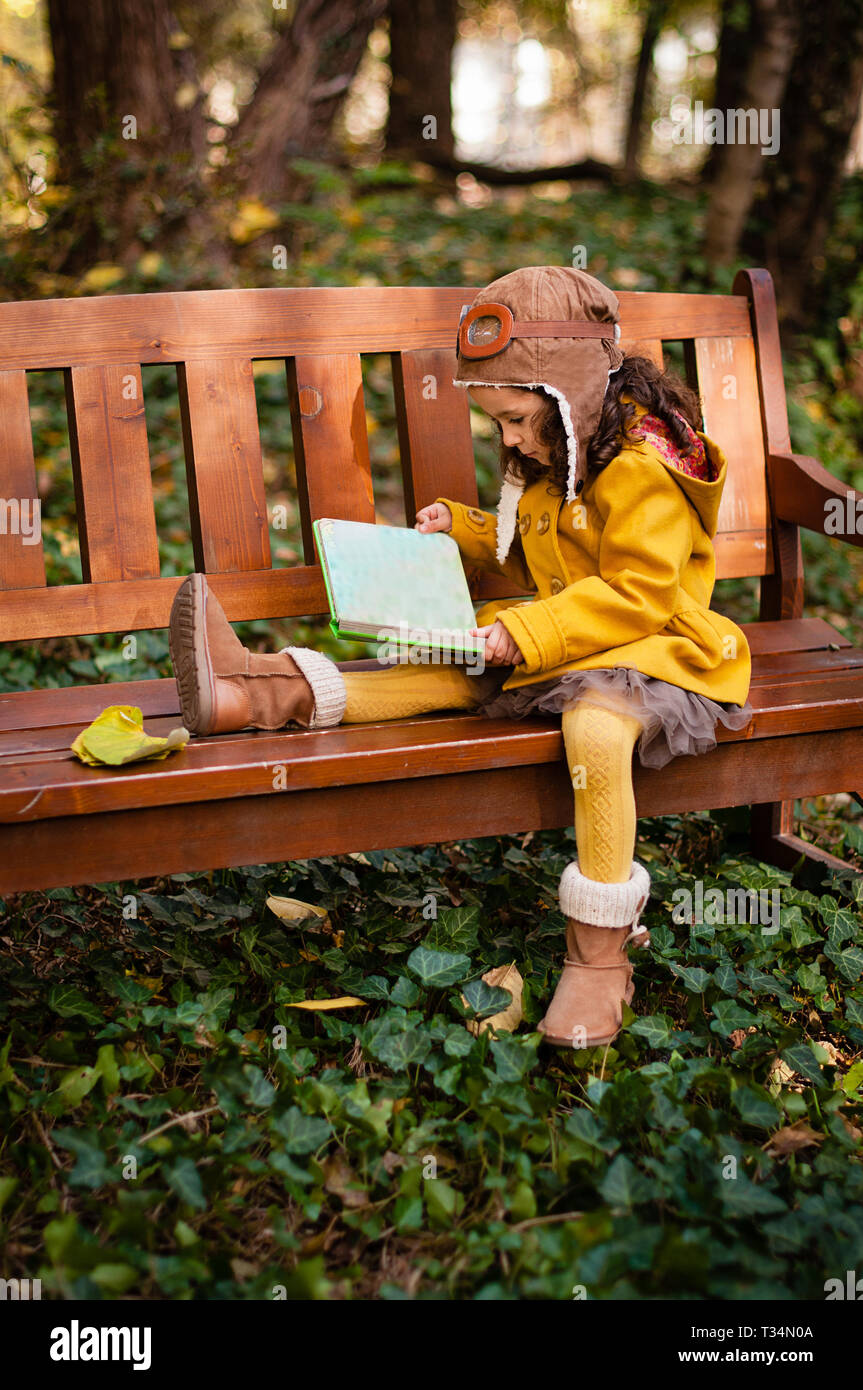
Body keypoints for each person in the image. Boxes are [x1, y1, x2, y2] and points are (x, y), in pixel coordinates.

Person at [168, 266, 753, 1050]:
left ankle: (599, 959)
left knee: (595, 730)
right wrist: (469, 530)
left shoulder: (641, 471)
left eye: (514, 420)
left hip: (651, 656)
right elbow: (530, 567)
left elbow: (638, 592)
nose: (506, 440)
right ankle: (256, 692)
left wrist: (528, 633)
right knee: (442, 665)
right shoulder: (559, 463)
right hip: (568, 637)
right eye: (497, 425)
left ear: (568, 397)